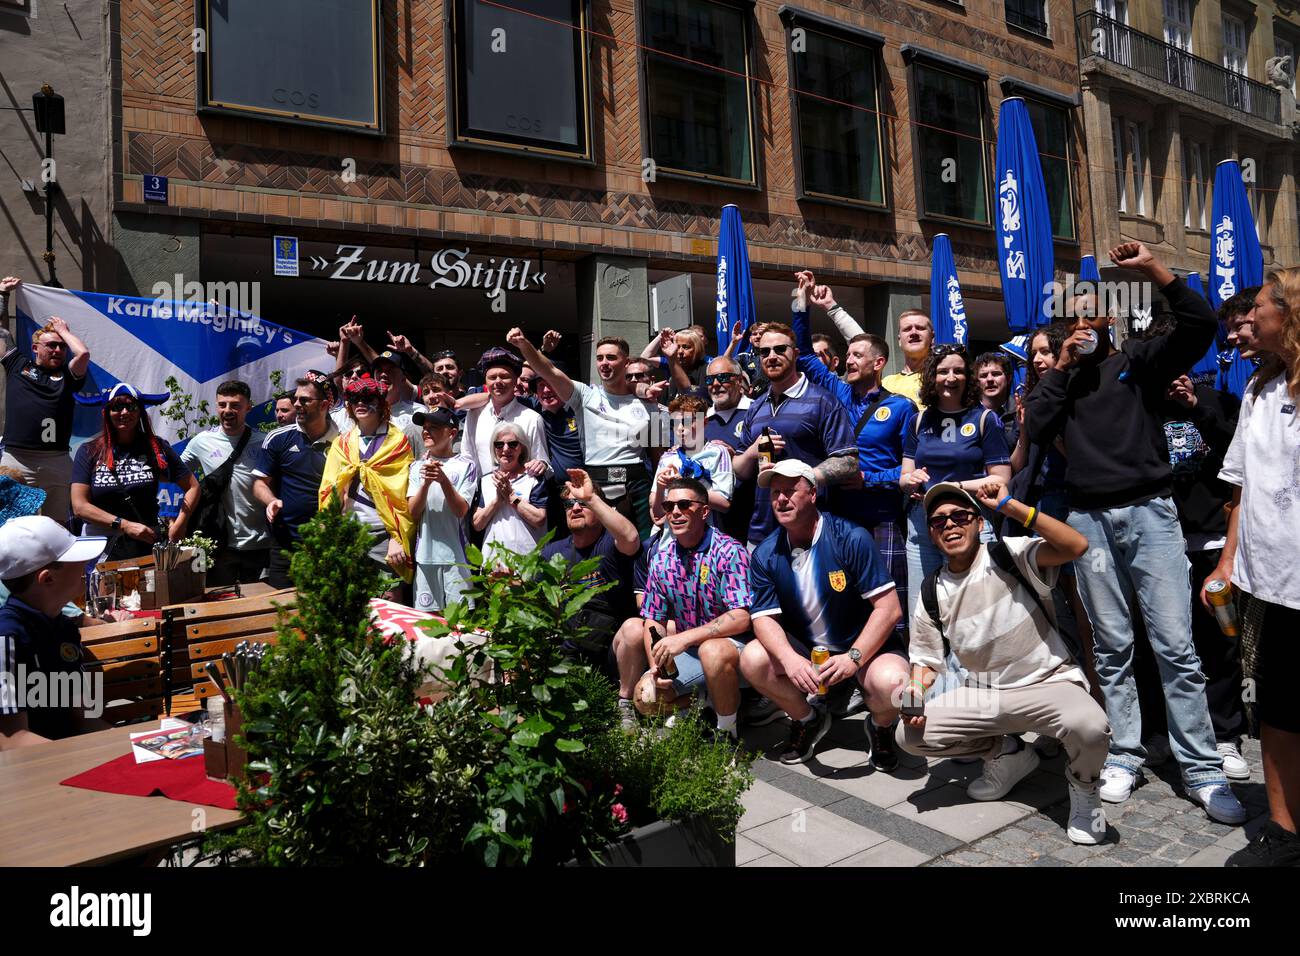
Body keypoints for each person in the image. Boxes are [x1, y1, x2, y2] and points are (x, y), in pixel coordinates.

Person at [1024, 241, 1246, 824]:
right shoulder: (1062, 380)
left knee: (1175, 644)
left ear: (1112, 316)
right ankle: (1125, 751)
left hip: (1150, 514)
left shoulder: (1139, 361)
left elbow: (1199, 323)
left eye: (1094, 312)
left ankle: (1201, 767)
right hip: (1087, 523)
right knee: (1113, 647)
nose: (1086, 324)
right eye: (1074, 317)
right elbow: (1038, 427)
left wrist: (1152, 268)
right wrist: (1065, 366)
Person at [897, 480, 1112, 845]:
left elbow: (1076, 545)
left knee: (1091, 727)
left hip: (1048, 682)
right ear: (932, 535)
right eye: (938, 521)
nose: (949, 525)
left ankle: (1084, 786)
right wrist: (914, 692)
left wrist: (1012, 506)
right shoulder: (932, 589)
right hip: (986, 691)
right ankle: (1007, 752)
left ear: (979, 523)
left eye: (959, 516)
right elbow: (925, 661)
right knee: (910, 735)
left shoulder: (1008, 554)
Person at [1208, 272, 1300, 865]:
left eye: (1260, 305)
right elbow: (1238, 486)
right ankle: (1284, 829)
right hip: (1270, 583)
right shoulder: (1258, 389)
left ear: (1288, 314)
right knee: (1277, 708)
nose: (1250, 316)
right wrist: (1226, 561)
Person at [741, 461, 905, 766]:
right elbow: (763, 618)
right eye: (775, 492)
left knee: (894, 684)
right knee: (752, 659)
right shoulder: (764, 553)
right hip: (810, 649)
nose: (781, 499)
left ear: (813, 494)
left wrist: (853, 657)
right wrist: (790, 660)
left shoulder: (851, 537)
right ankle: (806, 718)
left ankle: (881, 726)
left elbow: (889, 609)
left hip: (863, 646)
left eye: (790, 491)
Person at [1147, 316, 1248, 780]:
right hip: (1161, 545)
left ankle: (1226, 735)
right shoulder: (1145, 409)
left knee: (1221, 641)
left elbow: (1239, 459)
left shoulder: (1220, 401)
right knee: (1165, 644)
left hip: (1215, 544)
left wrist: (1197, 409)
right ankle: (1167, 733)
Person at [797, 280, 916, 636]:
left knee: (889, 604)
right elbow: (803, 355)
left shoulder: (901, 407)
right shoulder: (836, 390)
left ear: (878, 363)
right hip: (838, 518)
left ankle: (892, 673)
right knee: (843, 597)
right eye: (847, 355)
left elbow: (911, 466)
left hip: (881, 518)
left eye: (857, 355)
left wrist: (870, 479)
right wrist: (800, 304)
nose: (848, 359)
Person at [507, 329, 657, 537]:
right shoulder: (585, 395)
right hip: (595, 484)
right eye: (600, 358)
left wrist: (657, 493)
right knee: (598, 551)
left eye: (611, 357)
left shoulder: (652, 404)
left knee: (643, 545)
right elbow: (548, 370)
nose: (604, 362)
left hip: (637, 484)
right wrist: (524, 345)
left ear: (626, 362)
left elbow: (659, 455)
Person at [635, 477, 752, 739]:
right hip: (692, 651)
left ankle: (727, 732)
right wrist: (657, 667)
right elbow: (653, 618)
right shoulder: (662, 559)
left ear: (705, 511)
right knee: (645, 697)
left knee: (712, 651)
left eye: (684, 504)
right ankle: (705, 704)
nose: (675, 512)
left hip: (736, 648)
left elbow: (741, 618)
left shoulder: (730, 552)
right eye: (669, 506)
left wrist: (684, 638)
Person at [731, 322, 861, 548]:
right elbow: (740, 471)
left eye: (780, 349)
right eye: (765, 352)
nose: (772, 356)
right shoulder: (756, 407)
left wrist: (802, 476)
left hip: (811, 532)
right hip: (762, 534)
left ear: (796, 353)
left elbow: (848, 461)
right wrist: (752, 452)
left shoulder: (823, 401)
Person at [899, 345, 1012, 604]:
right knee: (923, 603)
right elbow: (904, 475)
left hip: (969, 515)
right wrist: (910, 480)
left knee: (975, 603)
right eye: (943, 371)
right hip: (922, 520)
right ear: (932, 377)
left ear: (968, 377)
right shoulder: (918, 420)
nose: (951, 378)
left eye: (959, 371)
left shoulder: (985, 419)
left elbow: (1001, 478)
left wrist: (954, 485)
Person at [0, 516, 109, 750]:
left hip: (72, 758)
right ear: (48, 578)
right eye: (75, 558)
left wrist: (124, 748)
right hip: (30, 775)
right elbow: (12, 740)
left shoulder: (65, 629)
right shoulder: (6, 637)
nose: (86, 562)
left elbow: (85, 718)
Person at [70, 384, 199, 561]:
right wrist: (124, 525)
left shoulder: (156, 448)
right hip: (100, 548)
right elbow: (80, 506)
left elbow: (193, 487)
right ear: (106, 413)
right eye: (116, 407)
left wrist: (181, 523)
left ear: (140, 411)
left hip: (144, 545)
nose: (124, 412)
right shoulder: (89, 452)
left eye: (131, 406)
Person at [319, 374, 416, 598]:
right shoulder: (342, 443)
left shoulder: (397, 442)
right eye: (354, 400)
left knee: (390, 600)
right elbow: (329, 489)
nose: (360, 404)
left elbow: (401, 495)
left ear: (381, 403)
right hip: (350, 534)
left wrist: (397, 538)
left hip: (384, 534)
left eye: (367, 398)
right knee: (352, 602)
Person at [1, 289, 91, 524]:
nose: (58, 350)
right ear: (35, 348)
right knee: (13, 526)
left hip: (57, 460)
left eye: (62, 346)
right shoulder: (17, 365)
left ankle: (54, 564)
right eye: (51, 345)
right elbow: (1, 333)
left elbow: (82, 353)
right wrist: (3, 296)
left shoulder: (68, 376)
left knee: (57, 526)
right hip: (17, 459)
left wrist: (63, 331)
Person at [541, 468, 640, 671]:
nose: (575, 507)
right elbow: (532, 592)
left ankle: (623, 699)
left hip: (611, 648)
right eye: (569, 504)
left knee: (635, 629)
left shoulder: (610, 544)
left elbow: (630, 538)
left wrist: (592, 498)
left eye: (583, 503)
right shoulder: (553, 552)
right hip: (568, 648)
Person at [252, 377, 340, 589]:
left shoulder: (343, 442)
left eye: (305, 400)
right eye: (296, 399)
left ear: (324, 405)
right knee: (282, 615)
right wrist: (271, 500)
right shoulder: (278, 438)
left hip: (328, 546)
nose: (297, 404)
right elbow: (259, 483)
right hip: (285, 545)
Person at [181, 380, 271, 585]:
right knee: (220, 605)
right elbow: (176, 474)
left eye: (235, 405)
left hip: (260, 543)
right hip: (219, 543)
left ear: (248, 407)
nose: (228, 410)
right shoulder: (201, 441)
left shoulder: (265, 442)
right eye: (222, 405)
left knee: (258, 608)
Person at [406, 408, 477, 614]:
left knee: (461, 624)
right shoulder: (416, 466)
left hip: (457, 558)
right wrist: (426, 484)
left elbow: (461, 510)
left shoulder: (466, 465)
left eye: (434, 427)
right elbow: (413, 511)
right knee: (429, 622)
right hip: (425, 556)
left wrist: (443, 480)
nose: (426, 432)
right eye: (425, 428)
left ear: (452, 433)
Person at [461, 346, 550, 483]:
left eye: (504, 376)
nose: (498, 382)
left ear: (515, 380)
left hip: (521, 498)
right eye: (492, 377)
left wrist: (541, 465)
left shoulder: (531, 418)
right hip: (485, 498)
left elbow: (543, 461)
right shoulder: (474, 415)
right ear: (485, 381)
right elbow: (467, 458)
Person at [651, 396, 733, 525]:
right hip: (671, 536)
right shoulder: (668, 457)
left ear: (704, 422)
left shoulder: (716, 453)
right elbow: (656, 510)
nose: (680, 429)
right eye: (675, 423)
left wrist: (685, 485)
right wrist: (661, 487)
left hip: (705, 530)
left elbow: (724, 503)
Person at [472, 422, 548, 560]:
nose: (505, 449)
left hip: (528, 562)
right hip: (493, 561)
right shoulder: (485, 481)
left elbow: (539, 519)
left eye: (512, 444)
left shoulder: (534, 479)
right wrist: (497, 501)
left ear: (522, 448)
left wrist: (512, 496)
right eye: (499, 445)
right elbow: (477, 524)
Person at [883, 310, 935, 408]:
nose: (914, 332)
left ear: (932, 338)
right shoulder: (885, 383)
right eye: (907, 329)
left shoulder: (941, 378)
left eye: (920, 328)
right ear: (899, 341)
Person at [975, 351, 1019, 450]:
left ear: (1008, 378)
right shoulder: (968, 413)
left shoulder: (1020, 411)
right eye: (984, 376)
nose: (990, 379)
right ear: (977, 382)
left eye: (996, 374)